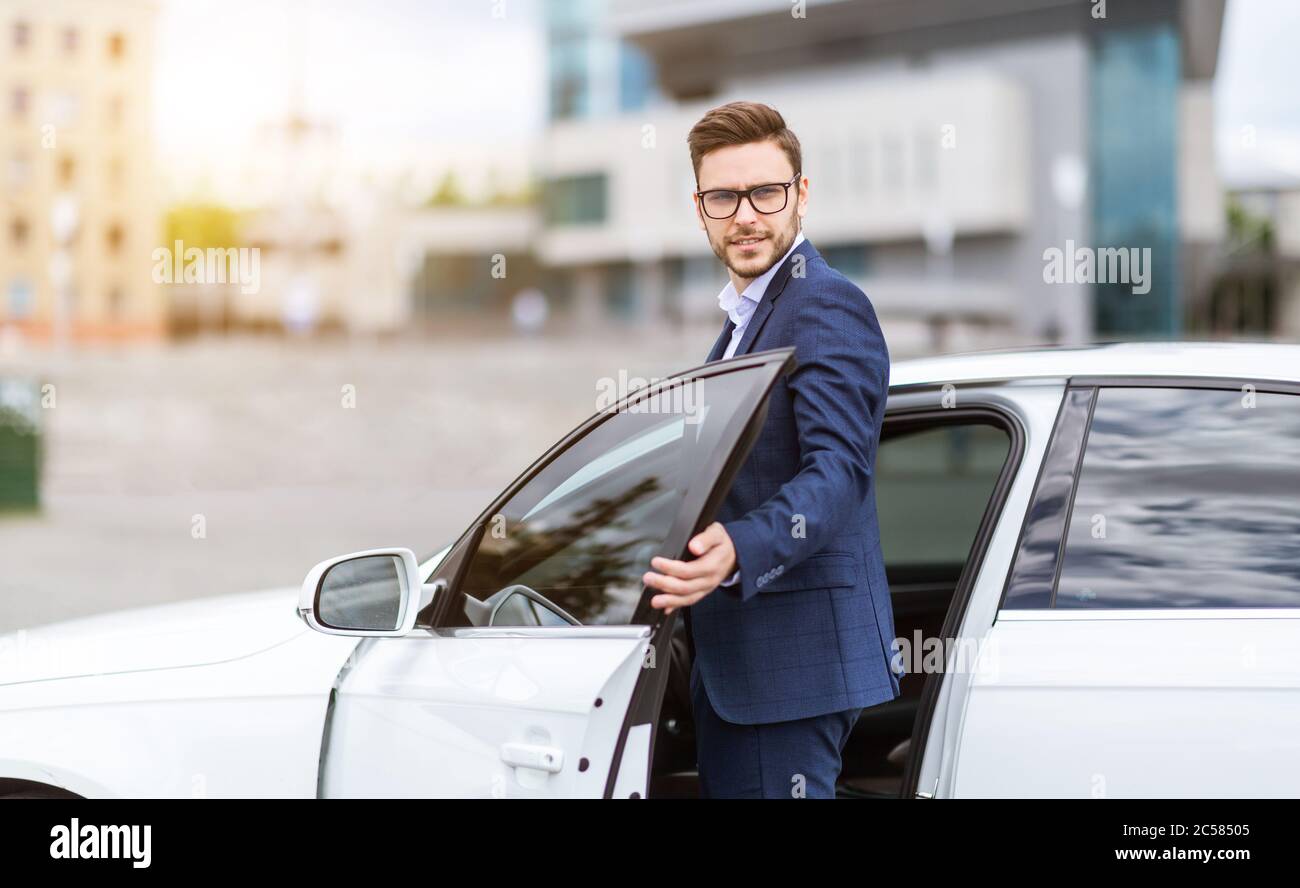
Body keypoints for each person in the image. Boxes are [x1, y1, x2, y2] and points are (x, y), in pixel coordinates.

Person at [642, 101, 901, 799]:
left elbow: (838, 471)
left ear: (801, 194)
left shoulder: (823, 304)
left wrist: (739, 548)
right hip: (742, 663)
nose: (746, 215)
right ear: (700, 207)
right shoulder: (747, 319)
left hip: (790, 665)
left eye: (766, 192)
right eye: (724, 197)